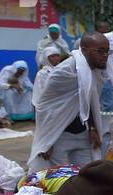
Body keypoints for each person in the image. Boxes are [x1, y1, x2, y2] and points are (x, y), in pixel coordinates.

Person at [29, 32, 108, 173]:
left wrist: (93, 128)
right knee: (61, 178)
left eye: (107, 51)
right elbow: (44, 107)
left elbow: (88, 102)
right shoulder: (62, 73)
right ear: (83, 49)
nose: (105, 55)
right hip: (59, 137)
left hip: (83, 134)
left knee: (88, 175)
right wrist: (47, 140)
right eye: (100, 51)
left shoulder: (94, 72)